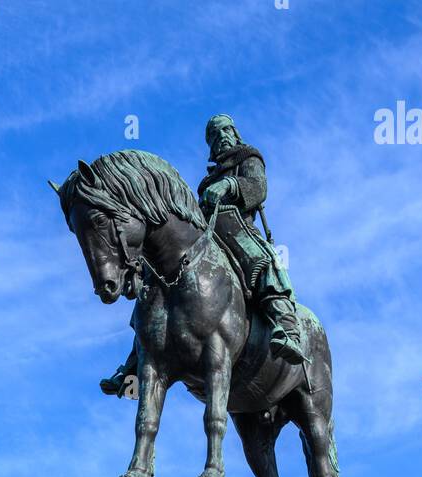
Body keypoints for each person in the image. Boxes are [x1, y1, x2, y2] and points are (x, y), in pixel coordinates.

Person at [100, 113, 306, 396]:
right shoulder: (207, 180)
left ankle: (286, 326)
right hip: (207, 236)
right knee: (154, 280)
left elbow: (259, 189)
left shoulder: (249, 158)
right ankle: (135, 363)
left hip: (238, 228)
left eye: (224, 131)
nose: (220, 137)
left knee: (261, 261)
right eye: (214, 135)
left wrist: (231, 186)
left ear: (234, 133)